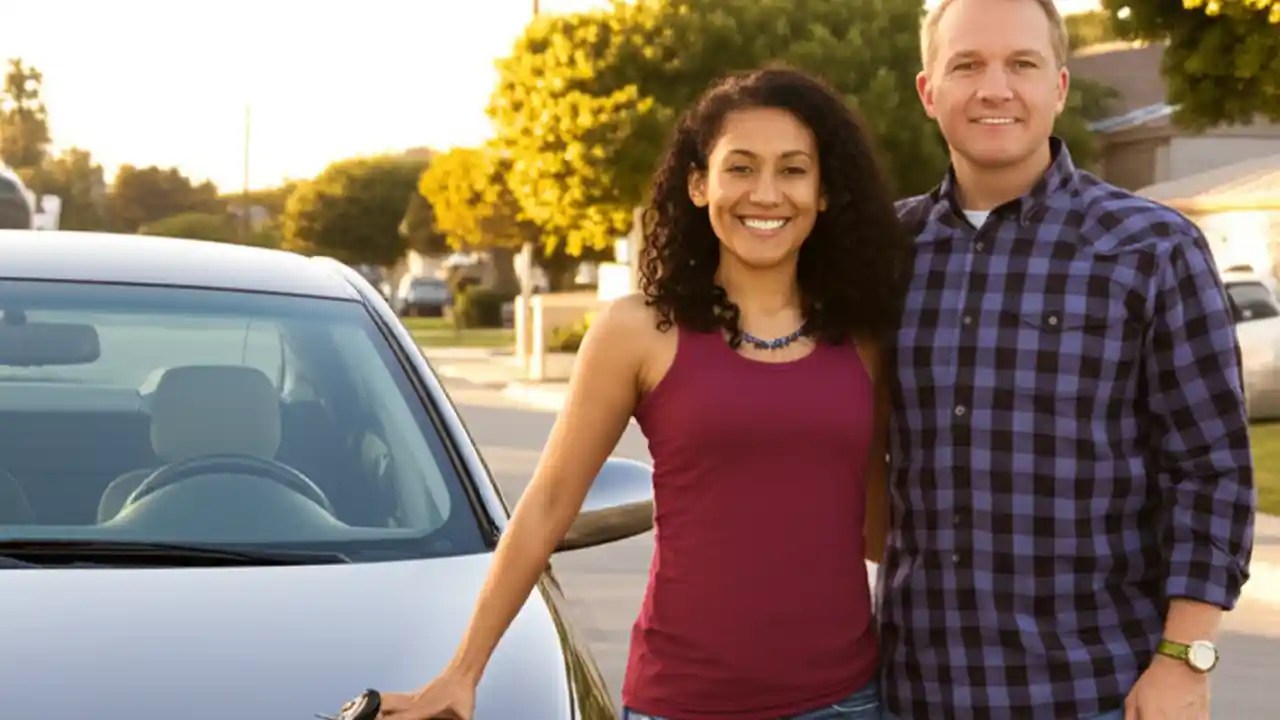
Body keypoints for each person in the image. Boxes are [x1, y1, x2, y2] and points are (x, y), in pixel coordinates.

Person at [376, 66, 911, 720]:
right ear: (697, 185)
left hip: (845, 703)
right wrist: (462, 672)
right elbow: (545, 508)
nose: (766, 193)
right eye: (739, 168)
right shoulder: (639, 331)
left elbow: (879, 521)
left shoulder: (863, 339)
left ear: (825, 192)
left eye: (793, 170)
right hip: (682, 703)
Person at [879, 0, 1257, 718]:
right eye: (967, 65)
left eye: (1020, 64)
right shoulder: (884, 254)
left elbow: (1211, 472)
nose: (995, 88)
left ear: (1058, 85)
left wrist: (1185, 659)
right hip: (916, 691)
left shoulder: (1152, 248)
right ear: (929, 92)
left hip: (1096, 691)